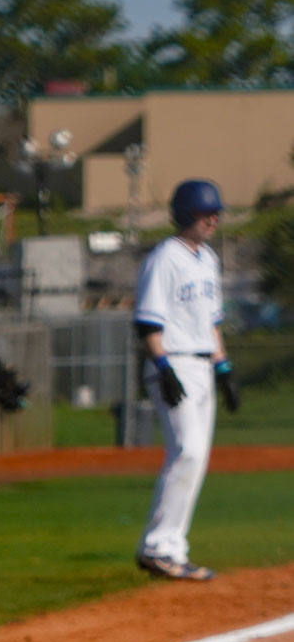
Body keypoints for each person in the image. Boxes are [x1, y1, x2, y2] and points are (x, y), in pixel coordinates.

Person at [133, 178, 240, 581]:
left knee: (196, 459)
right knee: (188, 451)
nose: (213, 219)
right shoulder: (165, 257)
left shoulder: (207, 259)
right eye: (205, 212)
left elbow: (211, 322)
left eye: (216, 212)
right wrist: (163, 367)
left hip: (202, 366)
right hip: (173, 363)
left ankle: (172, 547)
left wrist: (224, 367)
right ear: (185, 214)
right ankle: (159, 547)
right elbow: (147, 321)